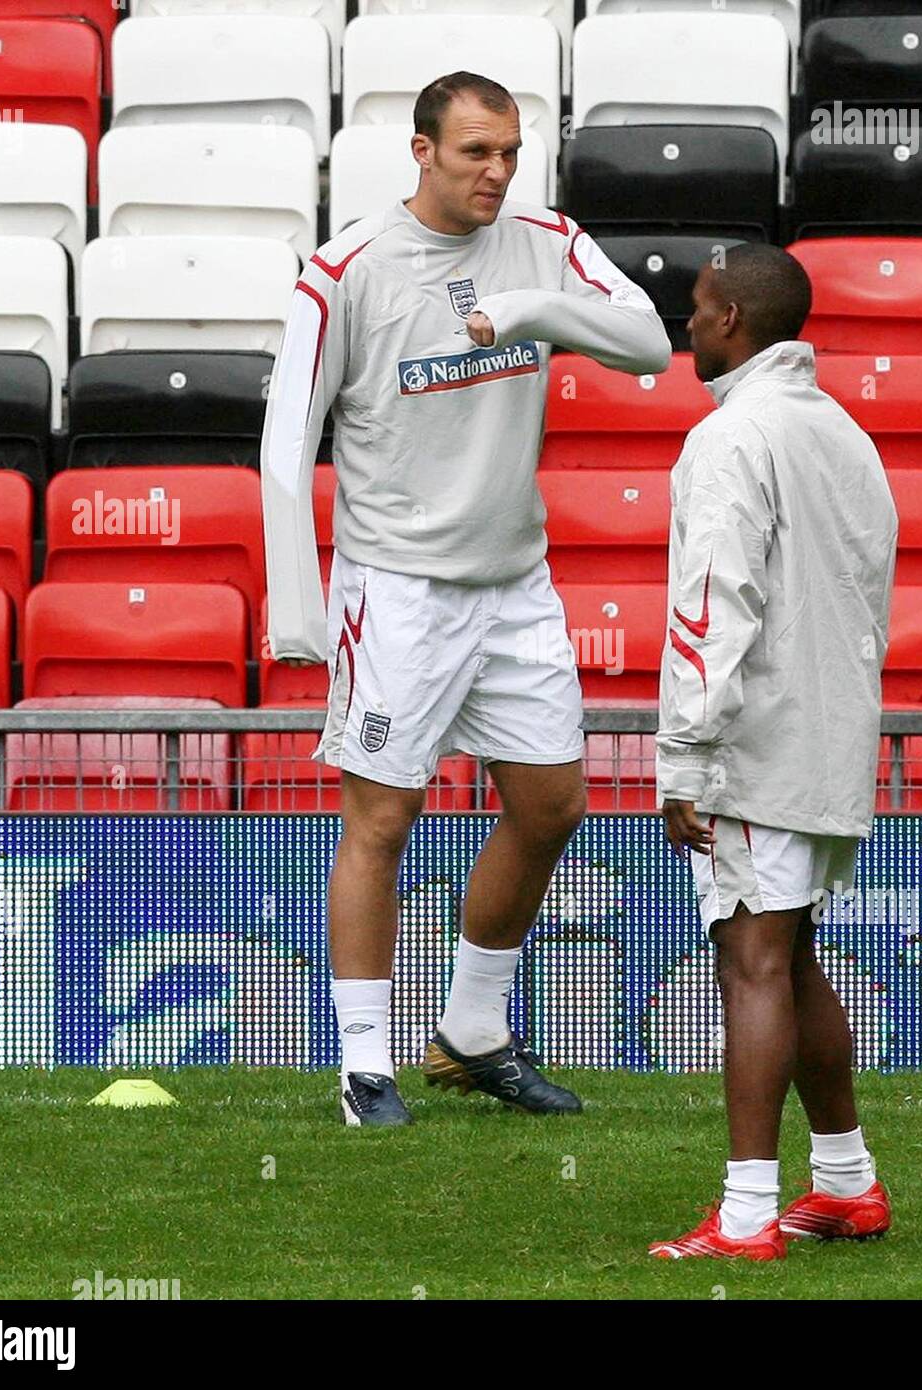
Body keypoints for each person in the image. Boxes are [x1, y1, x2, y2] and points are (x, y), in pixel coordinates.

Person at [260, 71, 671, 1126]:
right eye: (474, 152)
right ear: (420, 150)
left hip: (514, 582)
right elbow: (283, 442)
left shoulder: (545, 238)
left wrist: (536, 310)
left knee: (551, 805)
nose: (495, 172)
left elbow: (649, 344)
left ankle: (470, 1033)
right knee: (383, 815)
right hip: (395, 585)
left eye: (509, 151)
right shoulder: (346, 267)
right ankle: (363, 1067)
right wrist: (297, 607)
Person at [648, 246, 897, 1259]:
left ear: (735, 318)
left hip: (756, 739)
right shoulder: (841, 431)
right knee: (787, 957)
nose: (687, 327)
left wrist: (682, 759)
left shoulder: (730, 435)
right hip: (831, 738)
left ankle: (746, 1214)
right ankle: (843, 1181)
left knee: (748, 959)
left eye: (699, 311)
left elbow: (713, 606)